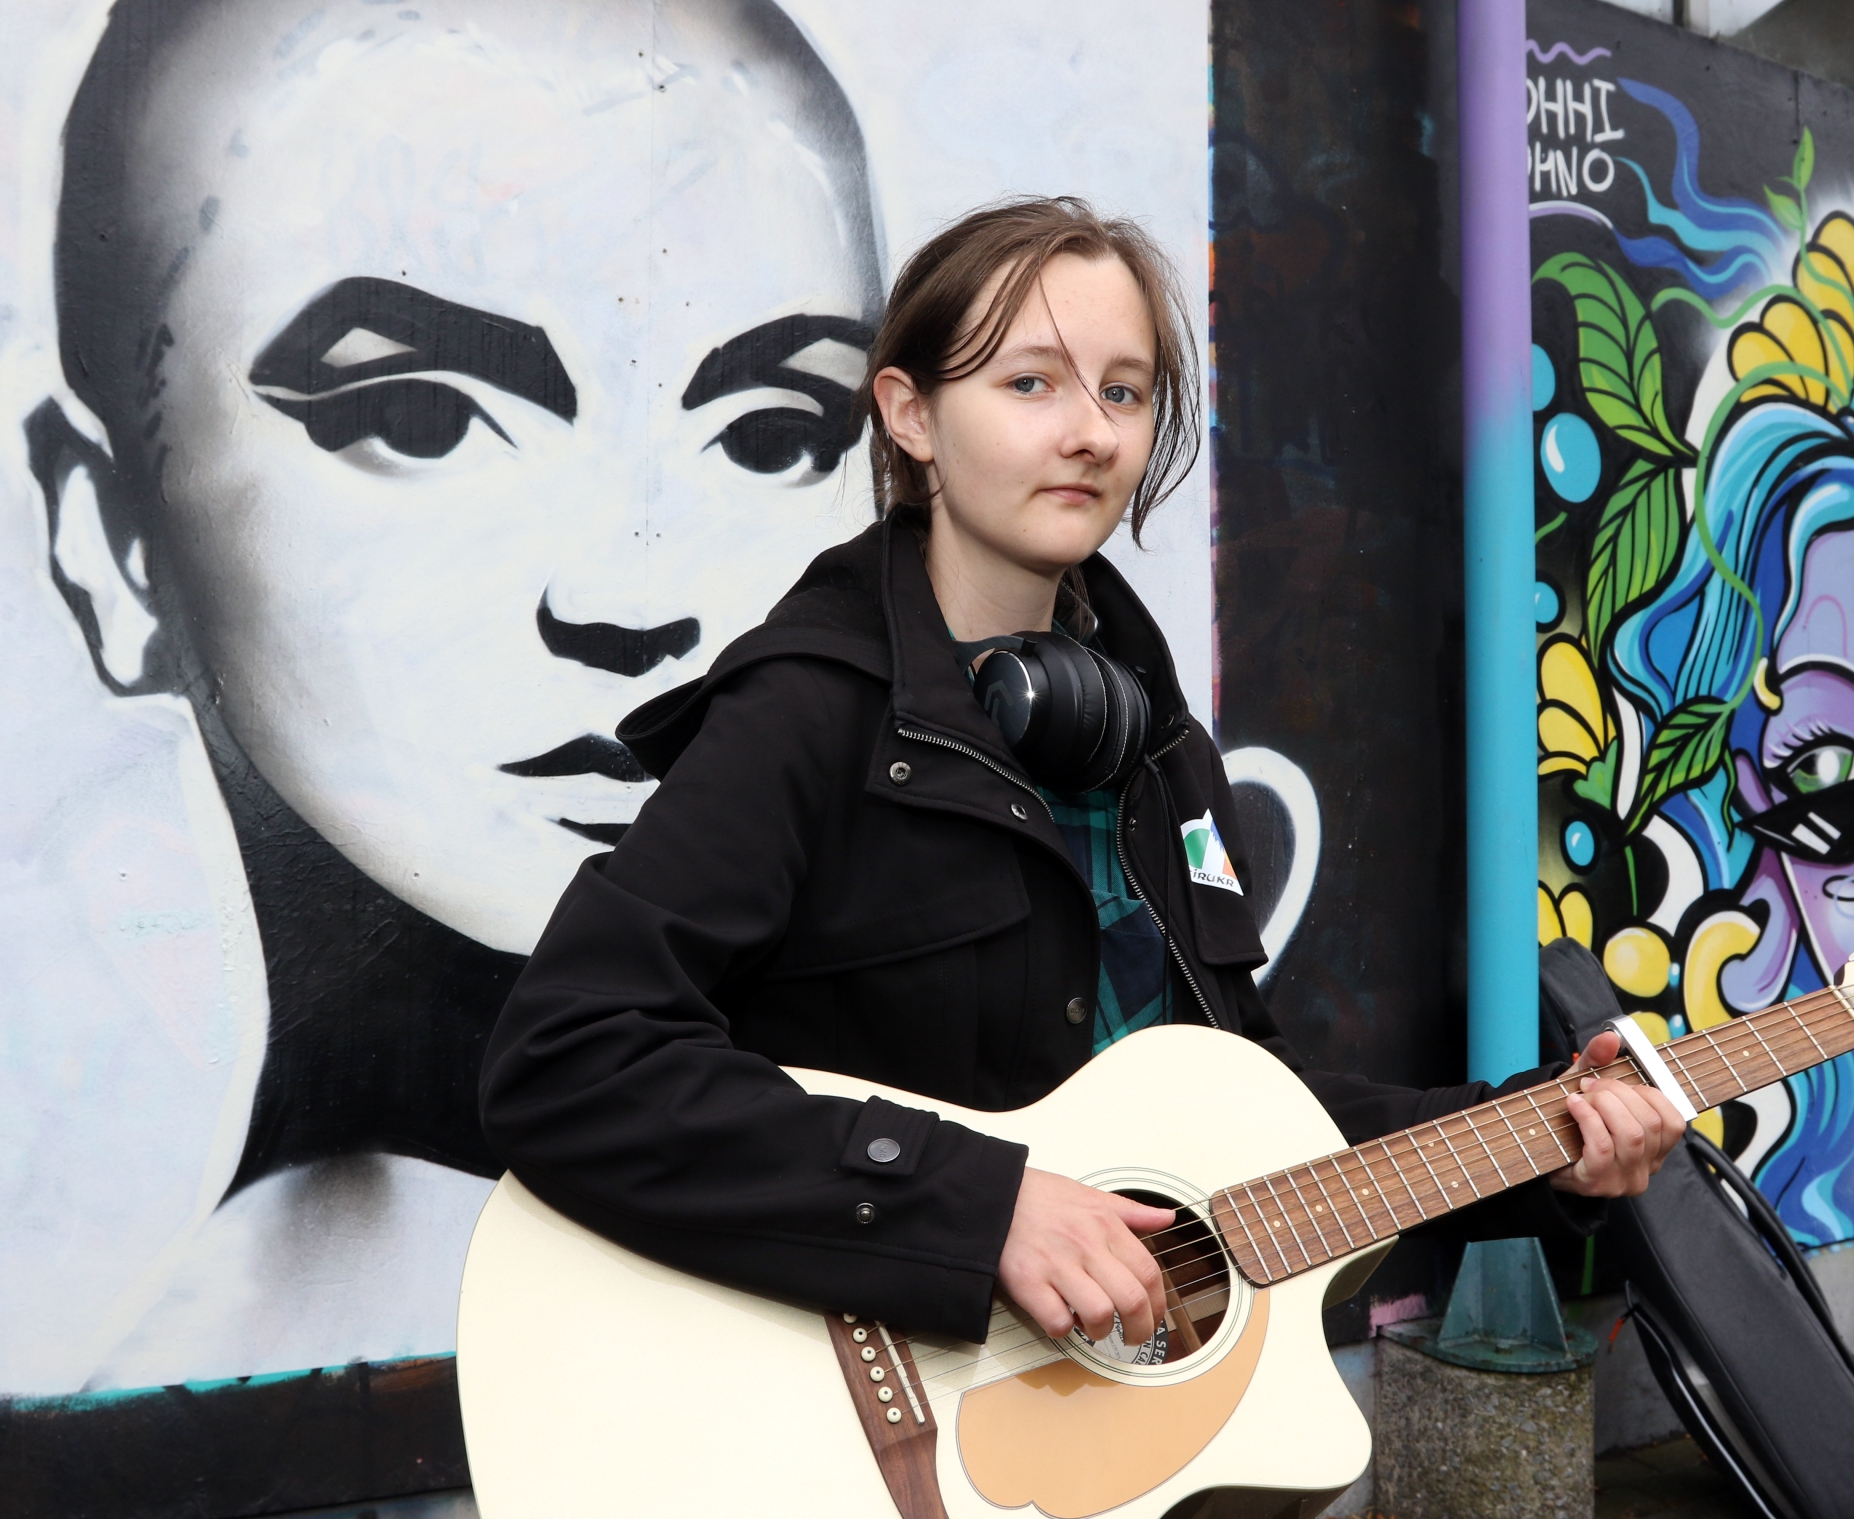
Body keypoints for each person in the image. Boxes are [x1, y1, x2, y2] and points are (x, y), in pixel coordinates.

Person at [481, 197, 1685, 1370]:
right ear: (909, 415)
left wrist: (1540, 1142)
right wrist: (977, 1207)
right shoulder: (806, 715)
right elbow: (568, 1060)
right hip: (871, 1432)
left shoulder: (1160, 753)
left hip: (1111, 1436)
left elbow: (1246, 1121)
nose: (1093, 434)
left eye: (1124, 390)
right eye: (1030, 383)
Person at [27, 0, 881, 1382]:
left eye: (775, 434)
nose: (630, 597)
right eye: (418, 419)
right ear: (110, 548)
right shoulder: (250, 1379)